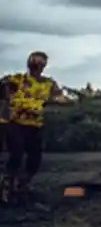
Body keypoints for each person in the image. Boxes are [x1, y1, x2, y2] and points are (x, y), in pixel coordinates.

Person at [0, 52, 69, 203]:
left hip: (35, 124)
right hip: (15, 122)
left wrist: (58, 100)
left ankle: (23, 184)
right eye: (34, 62)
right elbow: (5, 92)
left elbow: (59, 97)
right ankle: (6, 185)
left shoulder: (47, 83)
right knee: (16, 153)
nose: (36, 66)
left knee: (35, 157)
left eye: (40, 63)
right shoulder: (17, 79)